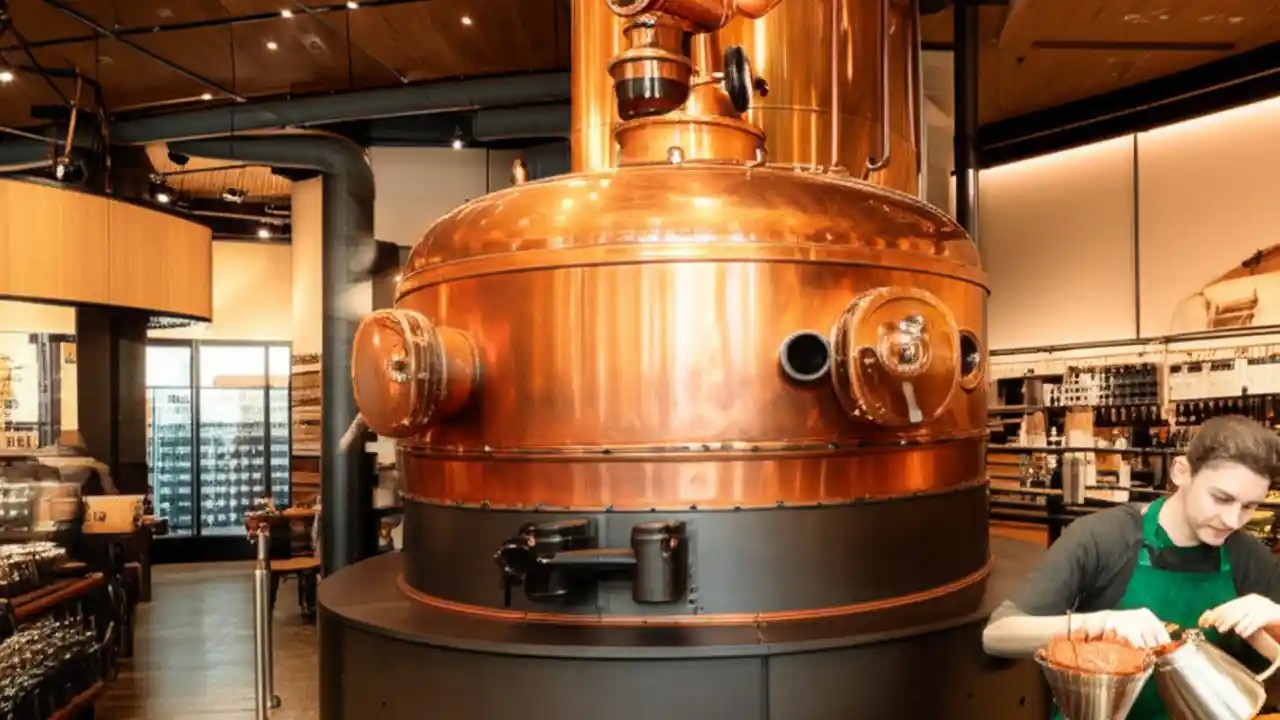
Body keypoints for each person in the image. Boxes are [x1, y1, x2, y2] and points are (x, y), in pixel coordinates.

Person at [983, 414, 1280, 719]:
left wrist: (1276, 622)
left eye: (1249, 506)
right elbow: (997, 635)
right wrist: (1100, 624)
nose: (1232, 520)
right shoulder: (1103, 538)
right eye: (1221, 498)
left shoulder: (1249, 558)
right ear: (1181, 471)